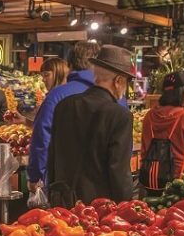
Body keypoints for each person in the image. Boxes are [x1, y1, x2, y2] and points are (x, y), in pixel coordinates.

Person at [46, 45, 134, 206]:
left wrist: (52, 194)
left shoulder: (64, 106)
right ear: (118, 81)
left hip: (63, 203)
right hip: (99, 210)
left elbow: (52, 156)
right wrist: (128, 206)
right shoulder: (120, 115)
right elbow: (119, 172)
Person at [27, 42, 101, 193]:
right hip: (103, 182)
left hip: (65, 183)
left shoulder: (57, 95)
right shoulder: (114, 96)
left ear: (69, 65)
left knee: (64, 217)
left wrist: (36, 176)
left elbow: (42, 137)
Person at [140, 71, 184, 189]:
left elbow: (144, 151)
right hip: (180, 184)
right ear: (183, 92)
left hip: (151, 181)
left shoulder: (149, 116)